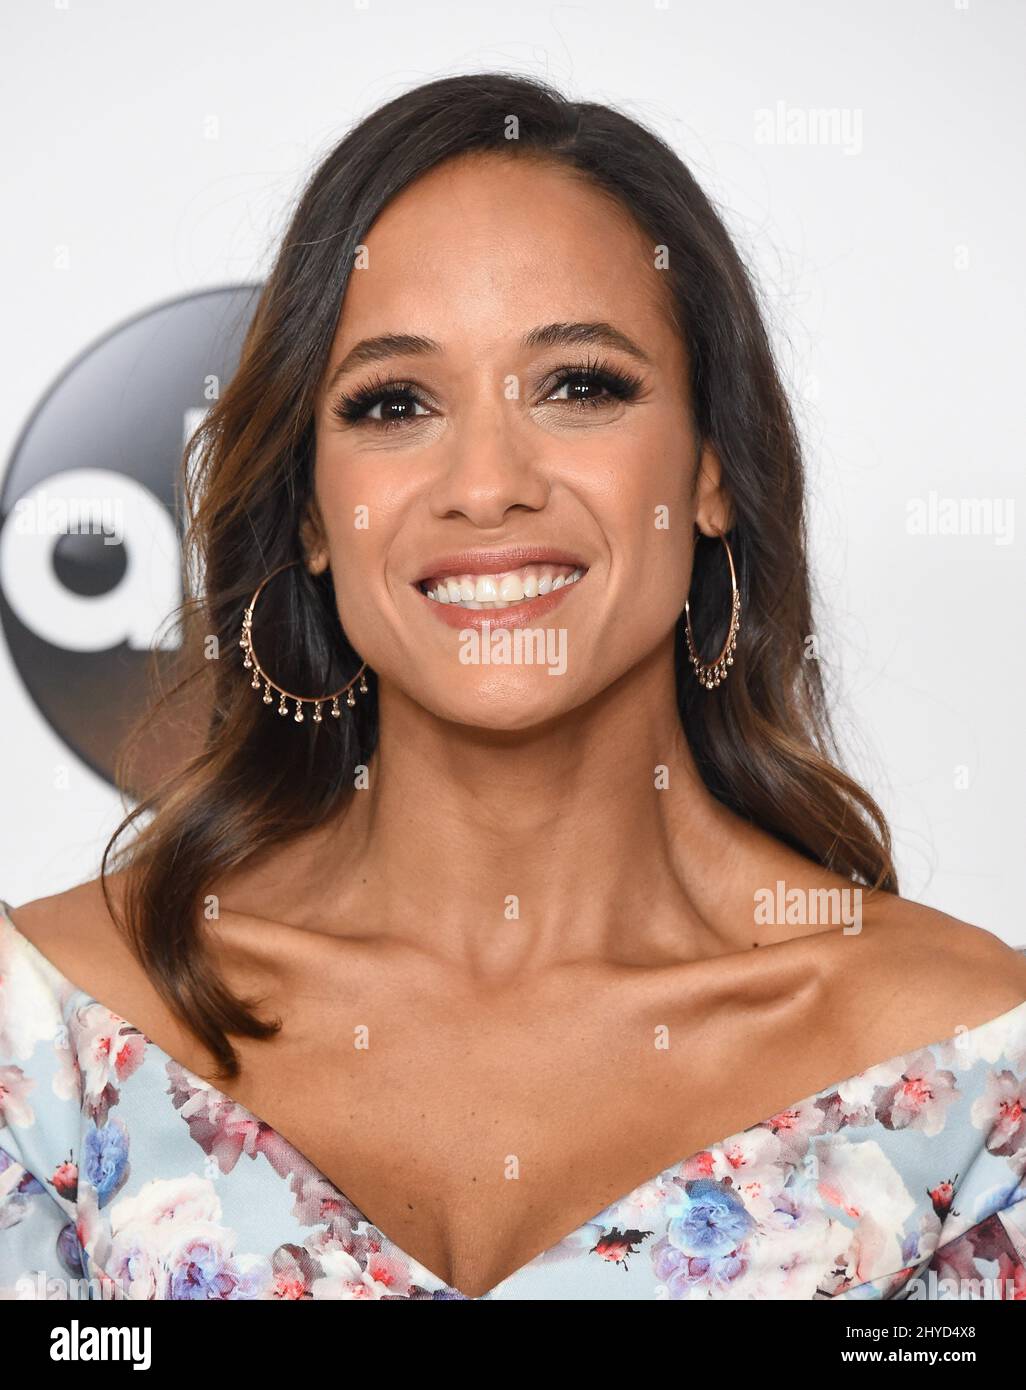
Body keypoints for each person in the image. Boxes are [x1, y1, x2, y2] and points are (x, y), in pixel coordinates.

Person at [3, 72, 1025, 1302]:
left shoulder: (975, 1080)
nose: (486, 485)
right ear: (315, 514)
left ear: (711, 468)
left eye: (580, 385)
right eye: (394, 403)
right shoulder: (47, 1036)